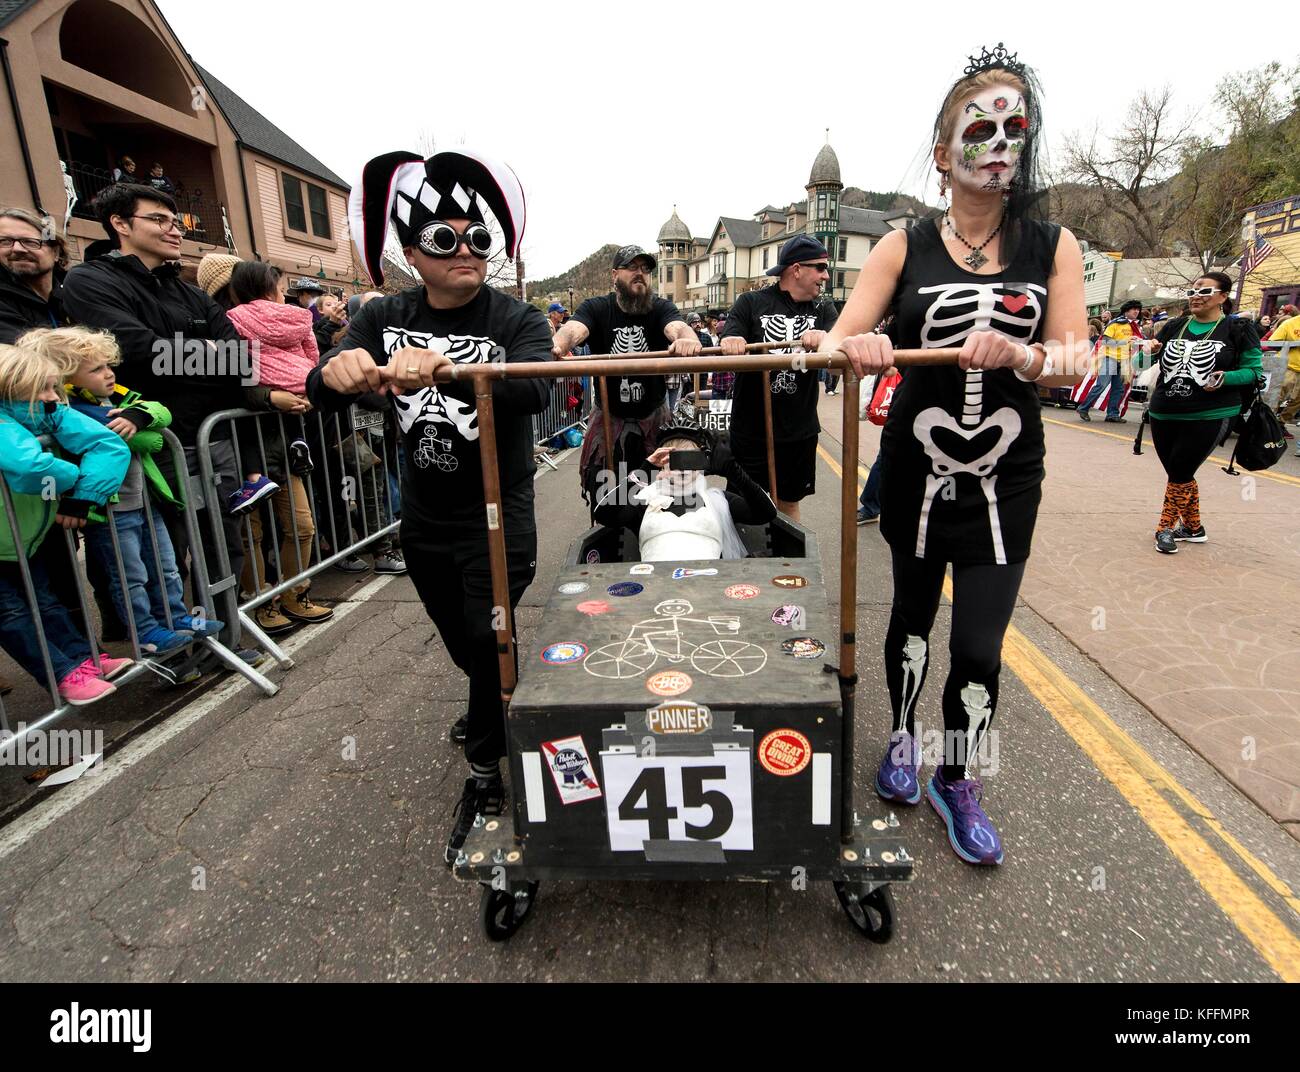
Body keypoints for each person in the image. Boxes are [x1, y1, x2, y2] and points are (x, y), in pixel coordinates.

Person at [825, 43, 1087, 866]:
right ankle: (900, 742)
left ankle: (958, 776)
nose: (999, 142)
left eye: (1016, 126)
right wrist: (862, 347)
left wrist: (1024, 356)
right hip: (915, 467)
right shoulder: (902, 245)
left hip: (1005, 476)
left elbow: (1078, 357)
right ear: (943, 153)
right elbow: (835, 343)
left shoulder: (1055, 245)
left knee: (979, 643)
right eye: (980, 128)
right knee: (910, 621)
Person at [307, 148, 550, 866]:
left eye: (479, 237)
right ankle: (495, 696)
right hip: (424, 516)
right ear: (413, 253)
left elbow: (538, 387)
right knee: (465, 643)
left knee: (485, 635)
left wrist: (454, 368)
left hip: (498, 513)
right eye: (445, 239)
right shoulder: (385, 314)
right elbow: (323, 387)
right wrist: (339, 367)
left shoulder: (515, 317)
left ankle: (485, 770)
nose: (468, 251)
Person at [61, 184, 254, 619]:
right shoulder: (89, 280)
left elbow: (242, 358)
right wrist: (206, 358)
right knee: (163, 557)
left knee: (224, 542)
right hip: (149, 445)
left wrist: (178, 356)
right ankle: (175, 642)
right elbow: (136, 351)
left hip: (211, 437)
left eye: (176, 222)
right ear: (120, 224)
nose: (175, 231)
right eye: (160, 220)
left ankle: (227, 628)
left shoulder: (188, 291)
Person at [49, 326, 224, 653]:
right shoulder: (69, 412)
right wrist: (145, 432)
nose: (109, 373)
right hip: (111, 511)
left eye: (108, 365)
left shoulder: (119, 398)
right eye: (96, 369)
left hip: (145, 500)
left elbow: (162, 412)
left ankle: (176, 617)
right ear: (68, 376)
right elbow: (140, 438)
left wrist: (139, 418)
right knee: (131, 576)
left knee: (167, 566)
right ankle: (145, 630)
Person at [0, 340, 132, 704]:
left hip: (19, 540)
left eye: (53, 386)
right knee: (11, 614)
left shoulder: (44, 410)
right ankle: (62, 673)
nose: (54, 397)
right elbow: (29, 468)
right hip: (9, 540)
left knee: (46, 602)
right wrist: (73, 474)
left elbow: (109, 445)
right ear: (12, 392)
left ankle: (83, 661)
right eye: (42, 388)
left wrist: (82, 496)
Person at [550, 245, 701, 516]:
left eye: (645, 269)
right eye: (632, 268)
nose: (640, 274)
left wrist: (686, 338)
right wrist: (558, 344)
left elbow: (675, 326)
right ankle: (610, 539)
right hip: (610, 415)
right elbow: (574, 329)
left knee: (664, 484)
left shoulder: (659, 308)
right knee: (605, 486)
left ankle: (656, 532)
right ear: (614, 274)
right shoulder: (597, 308)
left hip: (653, 414)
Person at [224, 260, 333, 629]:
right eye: (279, 285)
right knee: (251, 532)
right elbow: (231, 380)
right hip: (241, 446)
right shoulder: (226, 326)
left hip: (286, 443)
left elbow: (312, 364)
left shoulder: (294, 324)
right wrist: (272, 397)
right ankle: (262, 603)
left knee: (302, 526)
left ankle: (295, 594)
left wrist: (293, 397)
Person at [719, 234, 839, 523]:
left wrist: (829, 343)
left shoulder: (824, 309)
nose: (825, 276)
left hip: (798, 430)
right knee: (741, 506)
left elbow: (838, 367)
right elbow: (729, 341)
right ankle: (743, 566)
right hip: (751, 431)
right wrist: (733, 341)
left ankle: (790, 565)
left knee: (789, 505)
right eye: (820, 268)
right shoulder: (751, 302)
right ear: (796, 269)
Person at [1147, 273, 1262, 553]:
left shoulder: (1239, 329)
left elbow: (1254, 372)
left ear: (1223, 296)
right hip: (1164, 412)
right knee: (1179, 472)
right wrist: (1147, 351)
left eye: (1205, 290)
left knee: (1180, 470)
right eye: (1192, 291)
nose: (1195, 296)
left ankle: (1165, 528)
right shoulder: (1174, 326)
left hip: (1211, 413)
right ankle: (1194, 527)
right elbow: (1143, 362)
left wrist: (1226, 378)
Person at [592, 420, 774, 559]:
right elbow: (604, 514)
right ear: (661, 465)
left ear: (703, 464)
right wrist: (645, 470)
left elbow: (765, 513)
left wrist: (733, 471)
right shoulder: (645, 500)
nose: (682, 469)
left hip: (709, 588)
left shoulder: (717, 499)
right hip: (654, 593)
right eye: (673, 461)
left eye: (691, 460)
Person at [0, 208, 70, 344]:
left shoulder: (75, 296)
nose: (17, 249)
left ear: (56, 253)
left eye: (30, 242)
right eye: (5, 241)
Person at [1078, 299, 1143, 423]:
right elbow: (1106, 341)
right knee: (1101, 384)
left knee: (1118, 389)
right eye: (1133, 308)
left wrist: (1138, 342)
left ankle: (1112, 414)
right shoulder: (1115, 324)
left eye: (1138, 309)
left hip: (1125, 360)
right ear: (1126, 311)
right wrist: (1126, 342)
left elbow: (1135, 344)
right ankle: (1083, 408)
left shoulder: (1135, 326)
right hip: (1110, 357)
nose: (1136, 311)